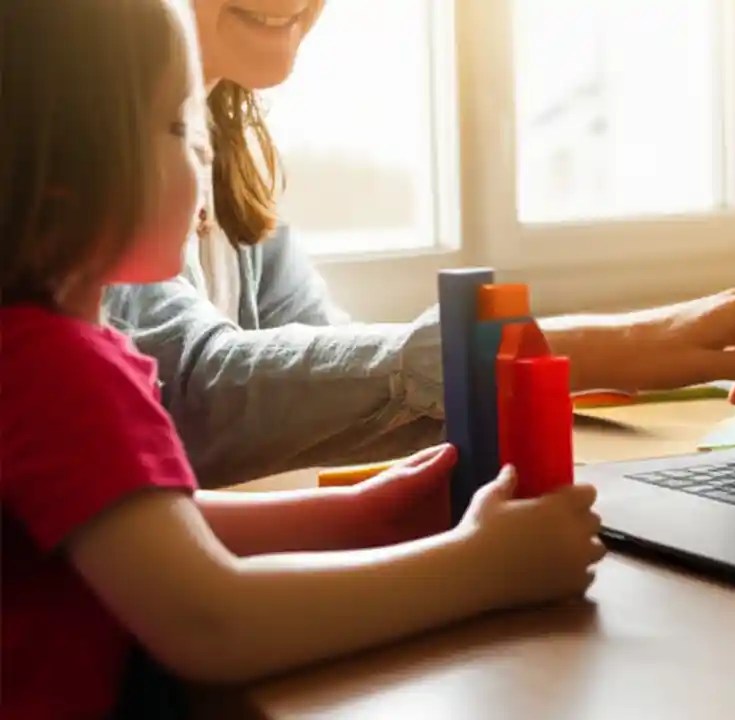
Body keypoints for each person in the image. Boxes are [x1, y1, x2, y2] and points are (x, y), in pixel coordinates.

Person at [1, 2, 603, 716]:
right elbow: (212, 622)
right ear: (61, 179)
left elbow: (143, 526)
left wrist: (350, 516)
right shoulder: (59, 373)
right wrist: (484, 568)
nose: (203, 149)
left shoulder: (37, 353)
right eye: (175, 125)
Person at [104, 0, 735, 488]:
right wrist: (603, 343)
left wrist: (569, 374)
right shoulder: (82, 164)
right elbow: (194, 397)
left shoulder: (228, 151)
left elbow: (328, 373)